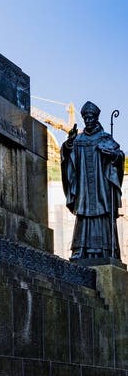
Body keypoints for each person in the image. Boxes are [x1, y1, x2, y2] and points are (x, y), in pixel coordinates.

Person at [60, 101, 124, 260]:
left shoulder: (105, 138)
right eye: (85, 118)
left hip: (101, 185)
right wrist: (69, 143)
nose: (88, 121)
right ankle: (80, 249)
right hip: (84, 186)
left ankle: (106, 251)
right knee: (83, 213)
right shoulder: (78, 139)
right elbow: (67, 156)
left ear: (96, 118)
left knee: (102, 213)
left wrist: (112, 155)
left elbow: (120, 155)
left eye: (90, 118)